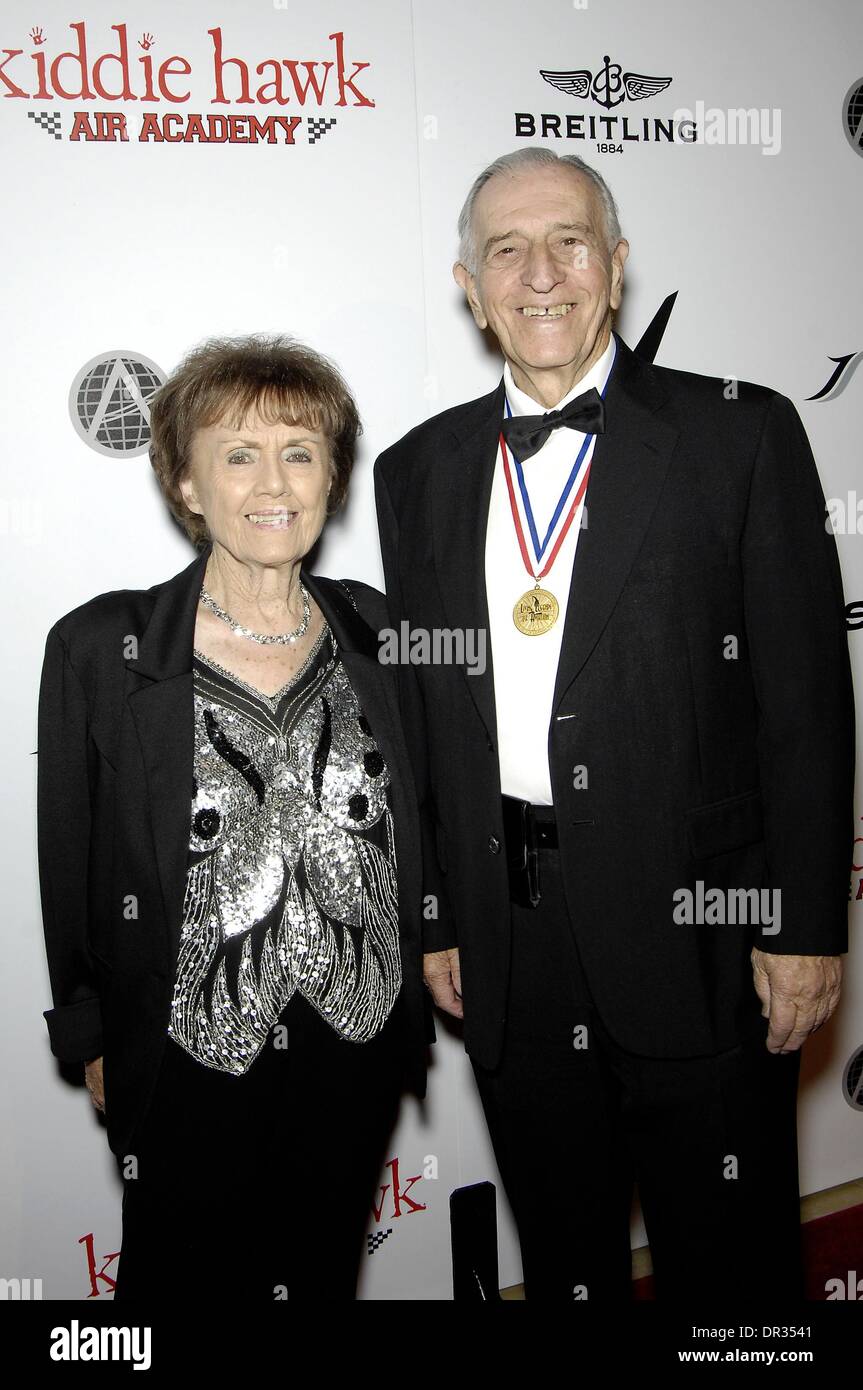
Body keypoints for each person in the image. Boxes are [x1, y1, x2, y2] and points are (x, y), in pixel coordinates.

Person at [374, 148, 854, 1301]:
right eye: (506, 251)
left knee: (730, 1271)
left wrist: (802, 927)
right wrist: (437, 908)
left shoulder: (738, 436)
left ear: (617, 265)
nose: (541, 274)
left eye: (569, 242)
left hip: (700, 932)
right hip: (509, 945)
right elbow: (429, 719)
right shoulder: (415, 471)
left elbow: (803, 707)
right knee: (568, 1255)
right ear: (468, 285)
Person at [37, 334, 427, 1301]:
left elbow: (427, 813)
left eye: (300, 452)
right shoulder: (105, 645)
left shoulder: (380, 628)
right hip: (183, 1042)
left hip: (358, 1028)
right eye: (238, 454)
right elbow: (70, 851)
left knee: (319, 1269)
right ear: (184, 485)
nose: (273, 482)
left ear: (331, 479)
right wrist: (88, 1031)